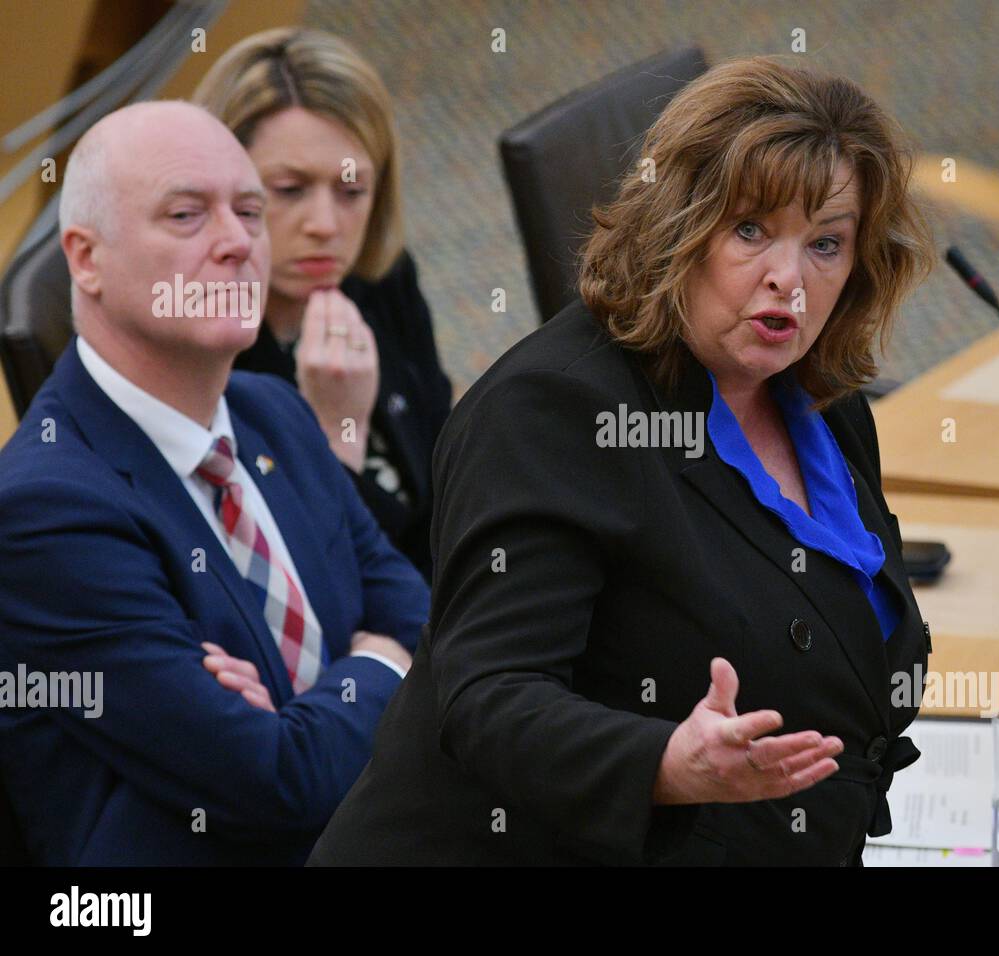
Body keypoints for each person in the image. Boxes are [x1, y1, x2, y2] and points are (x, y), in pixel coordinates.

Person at [310, 56, 934, 866]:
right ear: (680, 224)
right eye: (750, 230)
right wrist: (666, 765)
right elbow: (489, 699)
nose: (790, 280)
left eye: (825, 244)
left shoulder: (817, 394)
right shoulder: (552, 413)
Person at [0, 101, 429, 865]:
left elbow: (429, 620)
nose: (237, 244)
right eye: (187, 215)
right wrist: (376, 664)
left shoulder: (274, 413)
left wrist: (307, 717)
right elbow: (275, 786)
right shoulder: (44, 510)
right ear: (86, 258)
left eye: (250, 211)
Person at [192, 28, 453, 578]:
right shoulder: (203, 353)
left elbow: (444, 458)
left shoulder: (376, 277)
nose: (326, 227)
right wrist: (333, 438)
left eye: (352, 191)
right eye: (288, 190)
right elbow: (303, 593)